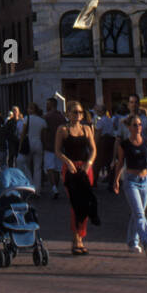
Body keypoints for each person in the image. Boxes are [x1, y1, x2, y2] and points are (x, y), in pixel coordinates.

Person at [113, 115, 147, 256]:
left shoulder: (146, 142)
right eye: (135, 125)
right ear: (129, 127)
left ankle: (132, 242)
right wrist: (116, 180)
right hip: (131, 181)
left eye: (140, 124)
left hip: (145, 180)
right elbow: (120, 162)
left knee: (138, 213)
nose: (138, 127)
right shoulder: (125, 144)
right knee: (139, 213)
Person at [55, 102, 97, 255]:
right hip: (71, 169)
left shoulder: (86, 129)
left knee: (85, 204)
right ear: (68, 114)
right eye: (75, 112)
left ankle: (81, 236)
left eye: (80, 112)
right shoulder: (63, 129)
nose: (78, 115)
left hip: (85, 168)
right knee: (75, 204)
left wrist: (89, 163)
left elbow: (93, 149)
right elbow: (58, 150)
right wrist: (68, 162)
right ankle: (76, 238)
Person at [16, 103, 46, 192]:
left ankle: (30, 185)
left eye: (29, 108)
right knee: (37, 168)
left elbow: (23, 133)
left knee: (24, 163)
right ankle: (37, 189)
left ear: (31, 110)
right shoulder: (42, 121)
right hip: (39, 143)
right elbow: (44, 135)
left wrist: (20, 145)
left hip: (28, 143)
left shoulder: (27, 118)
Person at [42, 98, 65, 200]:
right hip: (60, 146)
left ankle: (54, 187)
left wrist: (44, 142)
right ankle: (56, 187)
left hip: (49, 145)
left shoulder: (46, 117)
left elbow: (44, 131)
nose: (46, 106)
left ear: (51, 105)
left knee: (50, 167)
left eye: (47, 104)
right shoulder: (62, 117)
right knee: (57, 169)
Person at [94, 106, 118, 183]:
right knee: (109, 161)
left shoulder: (100, 121)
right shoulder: (110, 120)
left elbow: (98, 133)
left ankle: (94, 180)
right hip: (111, 140)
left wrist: (94, 144)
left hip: (103, 141)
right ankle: (111, 179)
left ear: (102, 112)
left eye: (99, 111)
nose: (97, 112)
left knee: (98, 161)